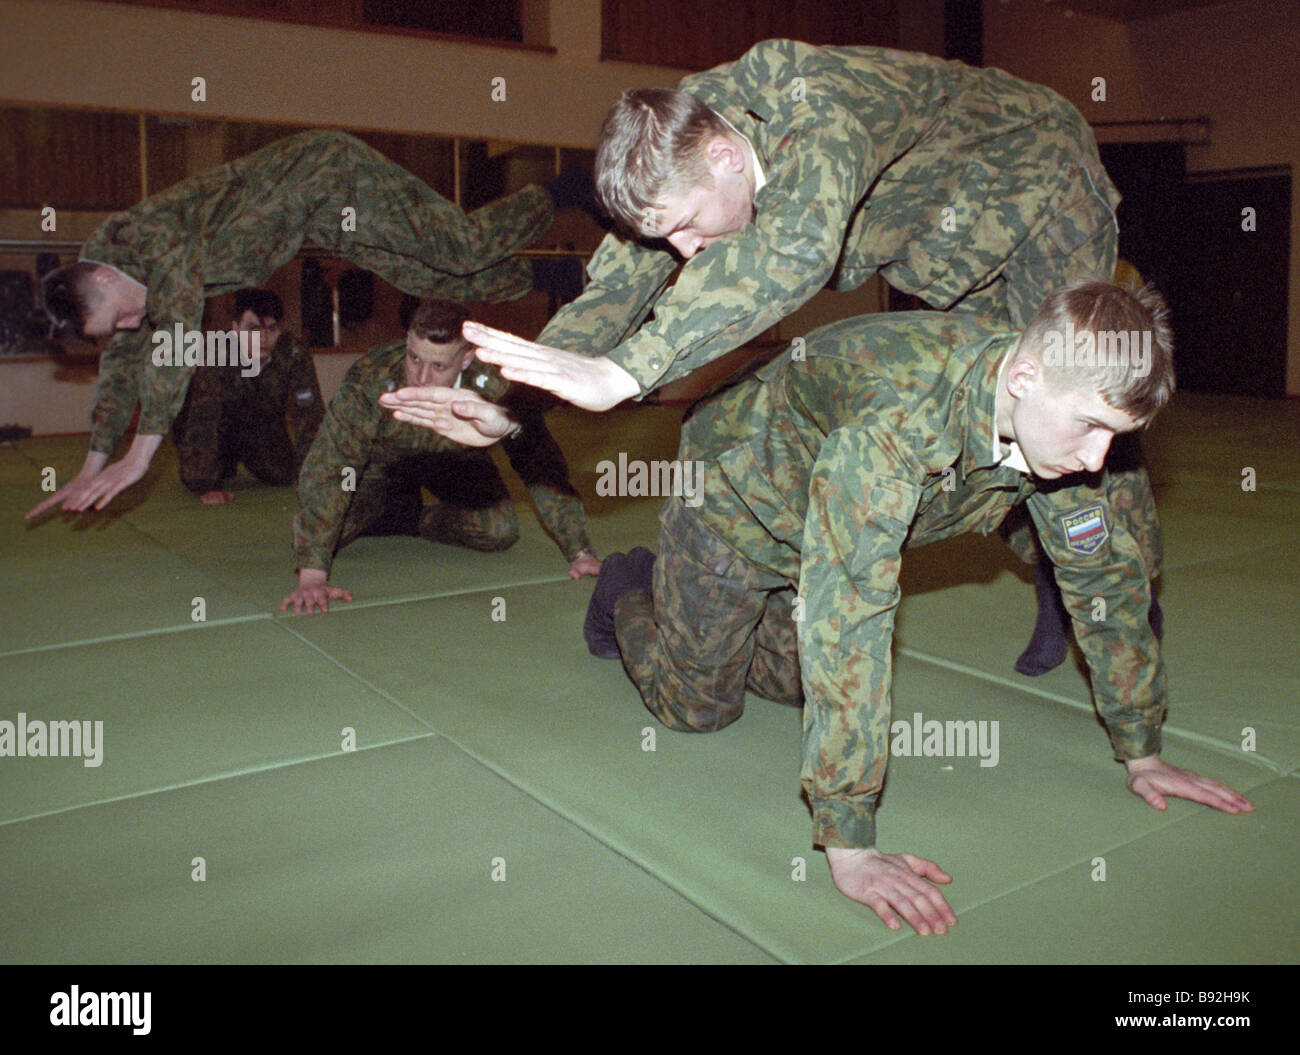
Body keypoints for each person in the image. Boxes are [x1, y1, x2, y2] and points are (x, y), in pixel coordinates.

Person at [456, 282, 1253, 934]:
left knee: (797, 685)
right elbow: (854, 618)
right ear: (1023, 379)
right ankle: (633, 582)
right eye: (1089, 429)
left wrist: (1142, 746)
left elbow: (1105, 585)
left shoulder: (1071, 423)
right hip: (733, 503)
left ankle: (721, 614)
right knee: (697, 705)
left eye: (1118, 437)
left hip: (825, 521)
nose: (1097, 459)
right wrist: (848, 837)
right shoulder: (896, 421)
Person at [388, 39, 1162, 676]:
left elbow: (791, 249)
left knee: (1073, 402)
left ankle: (1105, 589)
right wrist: (504, 398)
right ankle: (1051, 553)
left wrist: (629, 371)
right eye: (669, 238)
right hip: (940, 248)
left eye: (689, 226)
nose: (685, 252)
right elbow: (614, 289)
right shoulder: (673, 145)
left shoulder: (820, 108)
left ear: (728, 156)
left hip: (1039, 194)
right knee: (977, 419)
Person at [27, 128, 598, 519]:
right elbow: (125, 364)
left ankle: (567, 187)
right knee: (443, 281)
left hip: (331, 175)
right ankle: (563, 279)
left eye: (122, 313)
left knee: (462, 246)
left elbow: (175, 334)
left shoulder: (146, 243)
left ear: (102, 279)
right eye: (120, 324)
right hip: (319, 222)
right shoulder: (111, 278)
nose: (133, 322)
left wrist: (140, 455)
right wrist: (93, 463)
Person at [281, 299, 598, 615]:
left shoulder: (497, 385)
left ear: (466, 359)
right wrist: (312, 575)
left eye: (438, 366)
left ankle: (410, 517)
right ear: (407, 342)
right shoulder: (373, 376)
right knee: (329, 532)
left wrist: (579, 551)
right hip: (379, 467)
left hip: (454, 462)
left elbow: (537, 462)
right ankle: (383, 506)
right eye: (415, 358)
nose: (421, 377)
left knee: (498, 530)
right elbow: (333, 462)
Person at [173, 289, 323, 504]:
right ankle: (220, 463)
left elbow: (310, 415)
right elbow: (203, 418)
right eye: (253, 329)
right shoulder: (218, 354)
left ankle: (237, 455)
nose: (263, 338)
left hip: (258, 424)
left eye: (271, 329)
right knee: (201, 475)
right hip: (214, 424)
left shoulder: (293, 353)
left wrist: (317, 473)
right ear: (235, 329)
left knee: (283, 474)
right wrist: (206, 484)